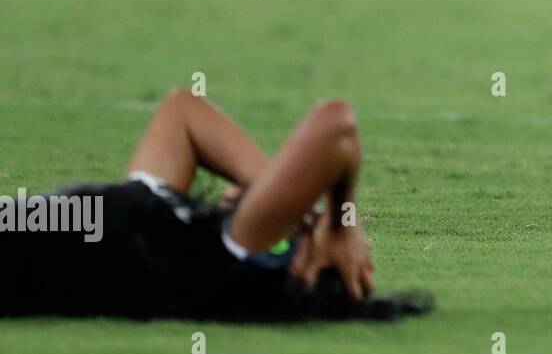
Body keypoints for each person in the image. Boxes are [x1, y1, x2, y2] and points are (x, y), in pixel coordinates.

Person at [0, 90, 430, 320]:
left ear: (297, 259)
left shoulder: (217, 259)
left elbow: (337, 126)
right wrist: (307, 212)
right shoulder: (171, 223)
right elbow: (181, 113)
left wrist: (339, 224)